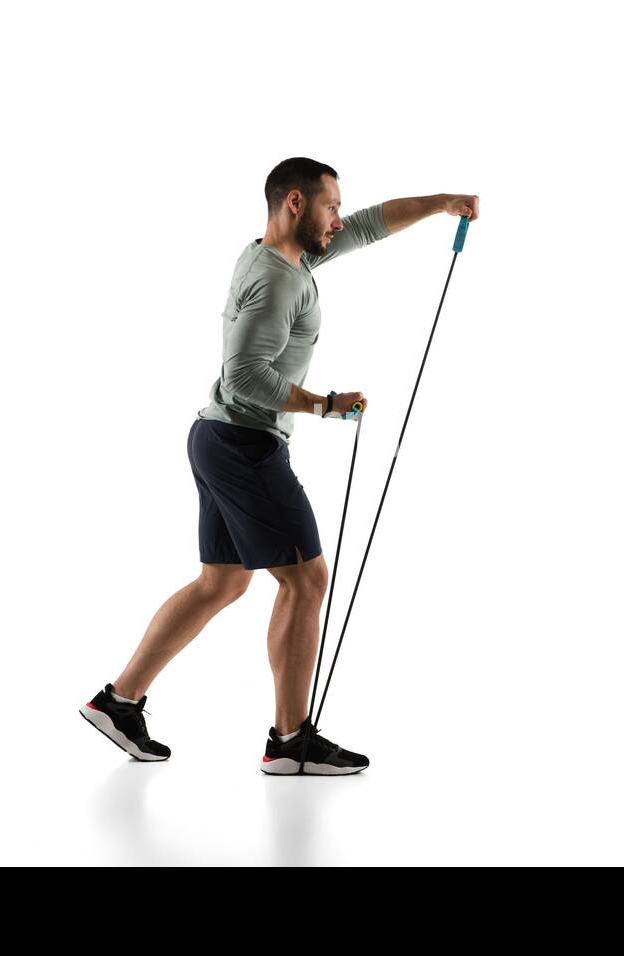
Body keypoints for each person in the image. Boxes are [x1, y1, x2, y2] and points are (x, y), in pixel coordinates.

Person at [80, 157, 480, 774]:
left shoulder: (286, 256)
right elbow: (244, 376)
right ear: (296, 203)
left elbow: (370, 225)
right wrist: (324, 404)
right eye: (330, 206)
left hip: (216, 437)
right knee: (306, 579)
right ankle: (290, 742)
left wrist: (441, 202)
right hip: (243, 445)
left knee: (223, 581)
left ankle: (118, 700)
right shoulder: (278, 279)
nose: (339, 218)